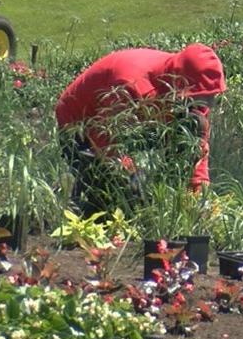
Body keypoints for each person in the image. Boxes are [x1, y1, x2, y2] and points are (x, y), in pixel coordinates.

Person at [55, 44, 226, 213]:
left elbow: (197, 147)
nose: (207, 104)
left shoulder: (196, 95)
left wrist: (198, 196)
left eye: (211, 98)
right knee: (111, 198)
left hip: (139, 119)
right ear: (179, 82)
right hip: (82, 125)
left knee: (192, 125)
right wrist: (133, 177)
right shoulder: (131, 84)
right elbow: (106, 141)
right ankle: (66, 202)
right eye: (204, 97)